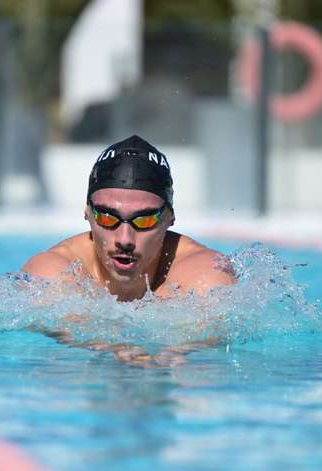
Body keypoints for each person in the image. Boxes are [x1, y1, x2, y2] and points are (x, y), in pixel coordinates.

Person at [21, 135, 235, 366]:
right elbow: (69, 324)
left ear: (169, 218)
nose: (124, 239)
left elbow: (211, 331)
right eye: (107, 217)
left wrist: (175, 352)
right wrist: (114, 349)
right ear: (87, 213)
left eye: (144, 220)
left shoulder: (206, 273)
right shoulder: (52, 270)